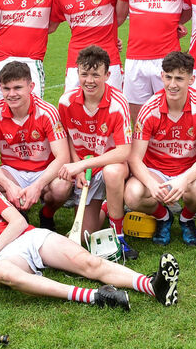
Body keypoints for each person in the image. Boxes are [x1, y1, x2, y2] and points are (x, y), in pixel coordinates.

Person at [0, 136, 181, 310]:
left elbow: (16, 224)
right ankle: (95, 297)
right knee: (2, 275)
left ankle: (153, 285)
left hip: (22, 238)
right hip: (3, 261)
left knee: (88, 262)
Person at [125, 51, 196, 246]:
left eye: (179, 78)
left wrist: (184, 180)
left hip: (189, 169)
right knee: (133, 195)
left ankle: (186, 218)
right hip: (156, 170)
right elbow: (135, 158)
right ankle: (163, 217)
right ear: (162, 76)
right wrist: (151, 184)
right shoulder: (149, 108)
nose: (172, 84)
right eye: (168, 77)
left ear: (191, 79)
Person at [56, 46, 137, 259]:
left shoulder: (118, 103)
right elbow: (68, 138)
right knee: (85, 235)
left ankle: (118, 235)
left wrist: (83, 165)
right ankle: (108, 206)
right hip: (85, 172)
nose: (89, 80)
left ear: (107, 75)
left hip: (110, 165)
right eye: (84, 74)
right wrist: (79, 169)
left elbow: (123, 151)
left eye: (95, 74)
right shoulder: (66, 102)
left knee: (112, 173)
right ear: (77, 73)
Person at [0, 61, 72, 230]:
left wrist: (37, 186)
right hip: (14, 173)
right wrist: (9, 186)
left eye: (18, 88)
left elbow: (63, 157)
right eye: (6, 89)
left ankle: (47, 214)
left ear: (31, 86)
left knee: (62, 186)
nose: (11, 94)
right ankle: (16, 215)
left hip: (44, 171)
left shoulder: (47, 112)